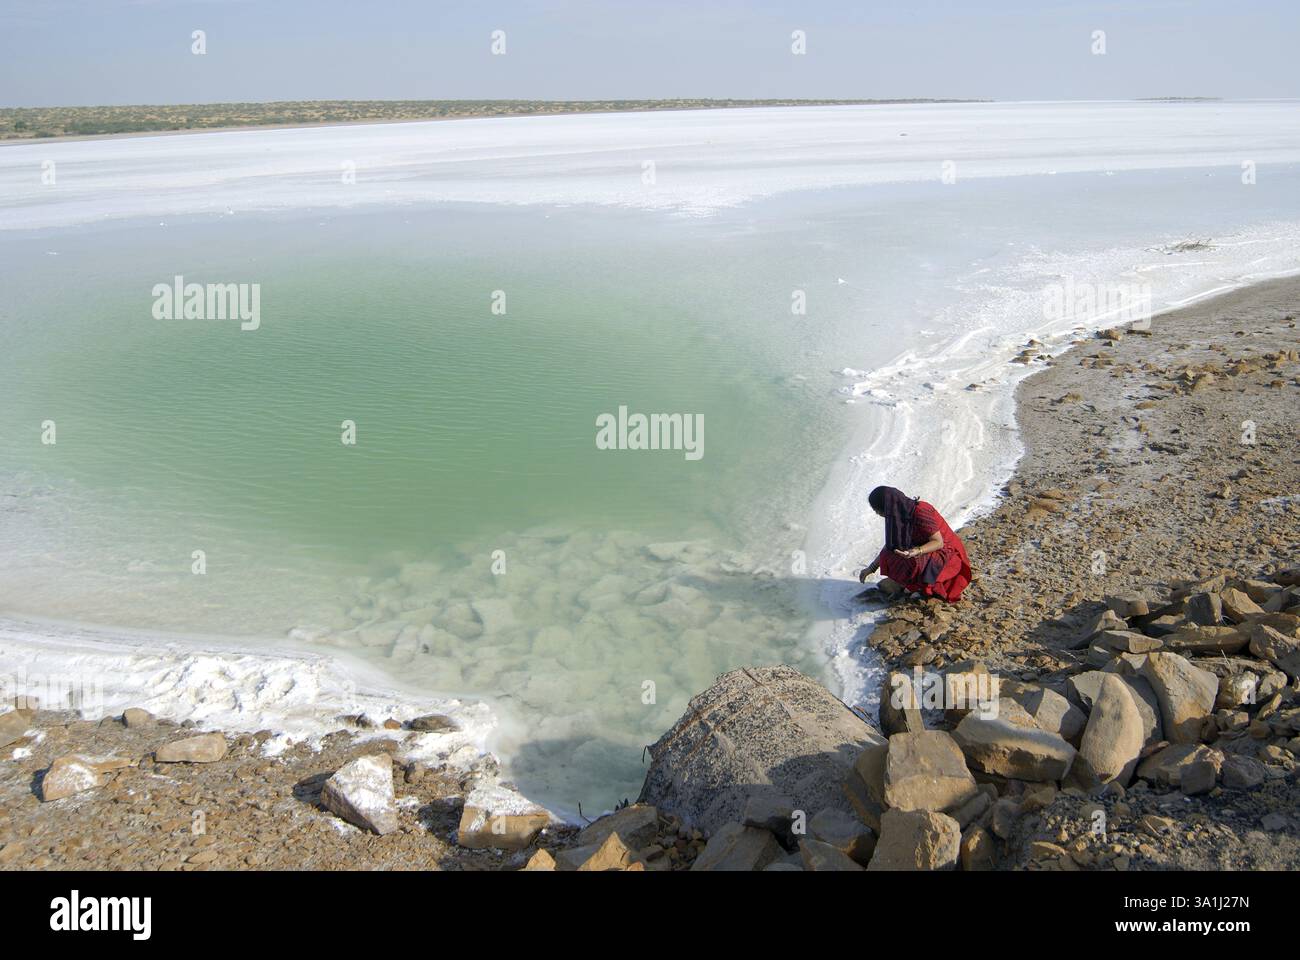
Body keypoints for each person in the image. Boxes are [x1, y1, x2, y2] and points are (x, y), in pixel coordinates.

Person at [857, 486, 971, 602]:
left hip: (947, 553)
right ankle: (910, 585)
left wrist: (917, 551)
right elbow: (890, 545)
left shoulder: (920, 511)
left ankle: (922, 588)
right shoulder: (897, 516)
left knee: (913, 562)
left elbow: (938, 542)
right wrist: (871, 568)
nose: (878, 514)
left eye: (878, 511)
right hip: (922, 547)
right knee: (889, 555)